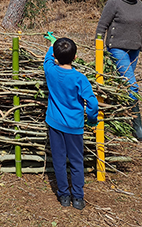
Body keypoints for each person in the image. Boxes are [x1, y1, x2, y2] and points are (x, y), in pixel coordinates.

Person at [43, 34, 99, 211]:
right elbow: (93, 103)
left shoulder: (50, 71)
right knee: (76, 161)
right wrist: (92, 119)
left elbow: (47, 58)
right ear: (75, 57)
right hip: (74, 127)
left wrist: (52, 45)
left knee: (59, 160)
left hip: (54, 124)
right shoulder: (79, 78)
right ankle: (78, 198)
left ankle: (64, 195)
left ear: (56, 56)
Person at [95, 0, 142, 142]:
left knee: (123, 87)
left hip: (134, 50)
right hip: (117, 49)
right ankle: (138, 128)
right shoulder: (114, 3)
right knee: (132, 86)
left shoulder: (139, 4)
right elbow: (102, 26)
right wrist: (98, 49)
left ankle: (121, 119)